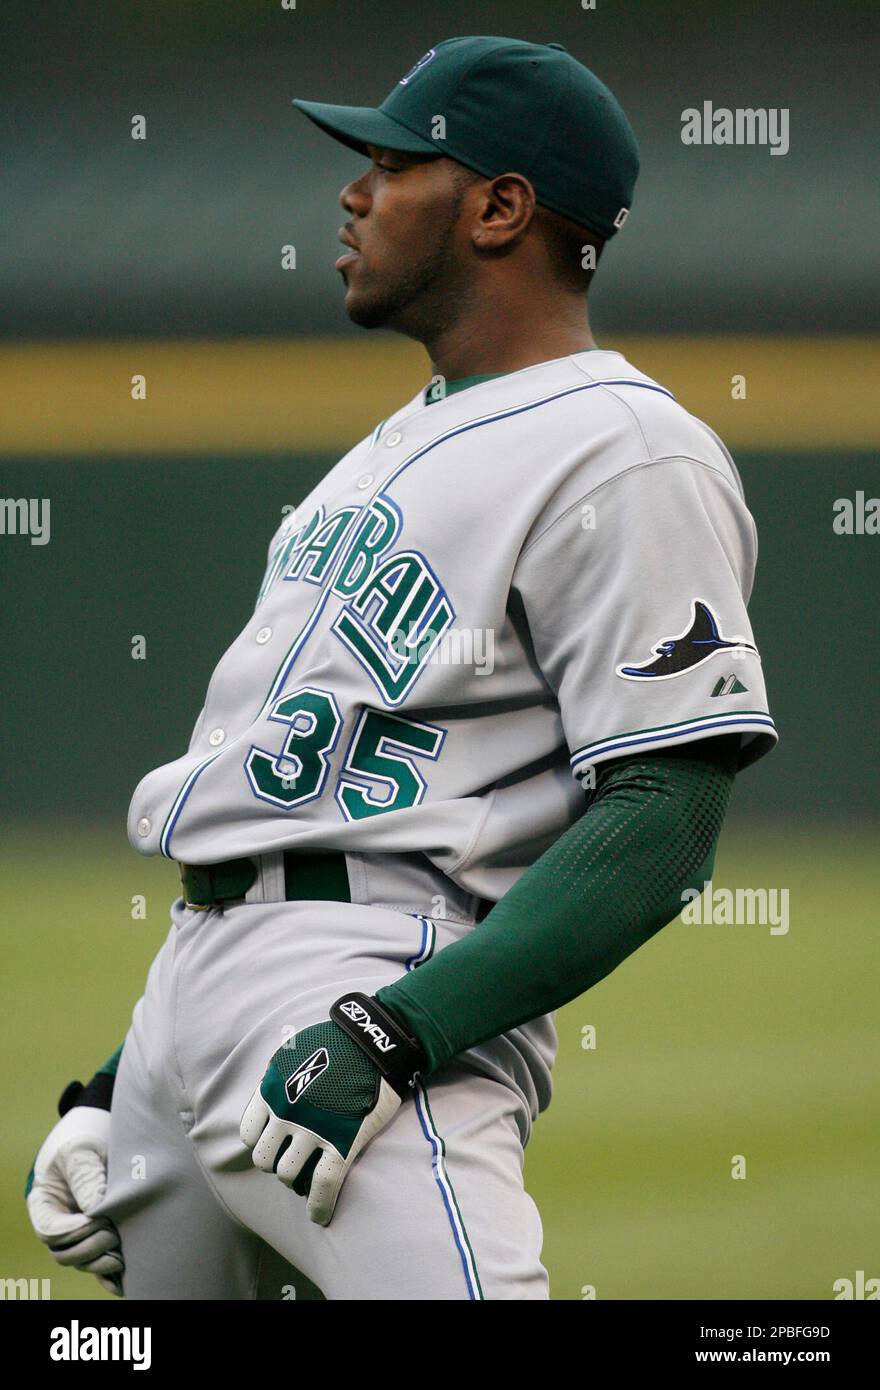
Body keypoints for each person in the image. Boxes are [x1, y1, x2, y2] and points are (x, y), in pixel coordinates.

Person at [27, 36, 776, 1301]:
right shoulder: (383, 447)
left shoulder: (628, 446)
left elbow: (665, 810)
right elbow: (286, 806)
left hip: (379, 988)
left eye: (392, 161)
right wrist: (118, 1077)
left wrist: (393, 1028)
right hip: (196, 989)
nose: (352, 192)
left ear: (499, 207)